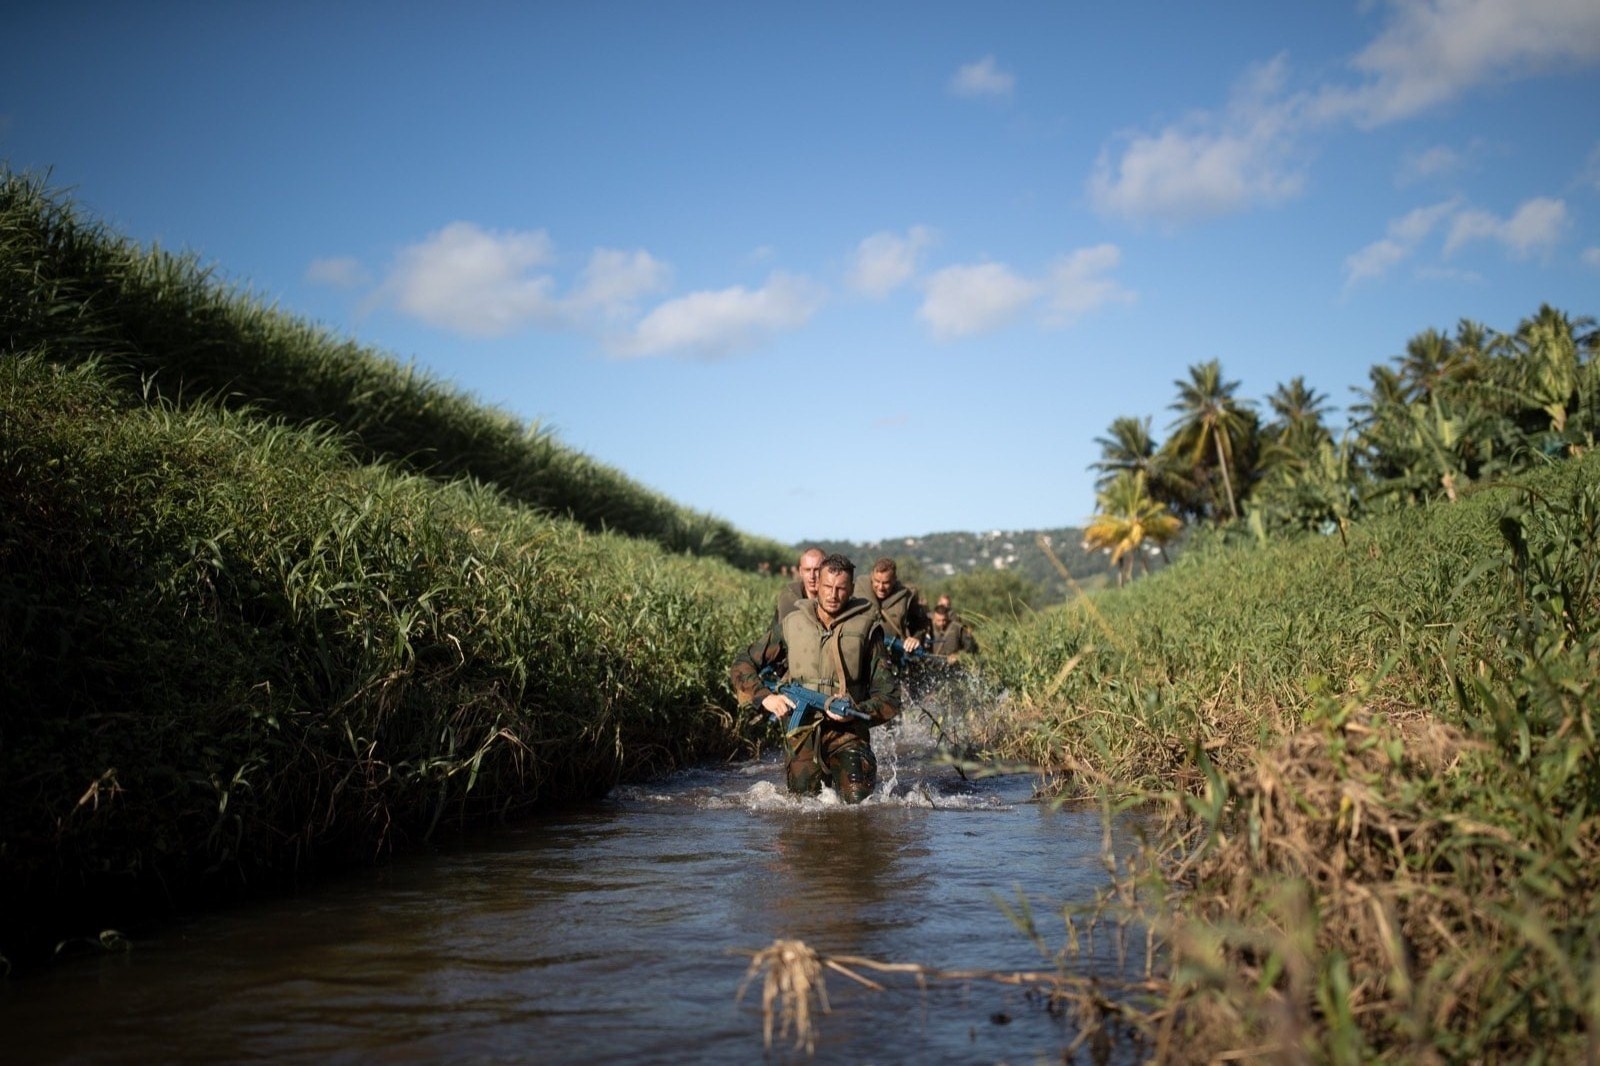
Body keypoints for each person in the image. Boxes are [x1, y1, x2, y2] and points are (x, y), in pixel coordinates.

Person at [731, 553, 900, 803]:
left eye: (841, 588)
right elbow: (742, 663)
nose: (833, 595)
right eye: (828, 587)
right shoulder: (792, 624)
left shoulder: (867, 630)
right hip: (801, 733)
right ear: (815, 585)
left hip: (848, 733)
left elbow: (891, 698)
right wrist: (765, 698)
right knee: (802, 808)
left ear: (852, 589)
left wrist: (856, 709)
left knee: (860, 806)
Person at [855, 557, 930, 657]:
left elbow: (921, 625)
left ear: (894, 580)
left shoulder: (906, 597)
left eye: (886, 583)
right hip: (863, 653)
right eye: (877, 581)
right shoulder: (858, 590)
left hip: (894, 655)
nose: (881, 587)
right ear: (871, 577)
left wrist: (916, 638)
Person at [775, 546, 825, 623]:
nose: (812, 576)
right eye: (807, 570)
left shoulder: (835, 597)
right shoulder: (789, 597)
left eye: (816, 570)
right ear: (801, 572)